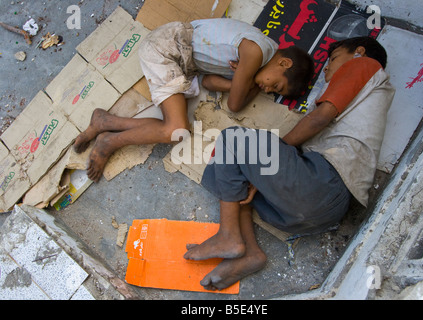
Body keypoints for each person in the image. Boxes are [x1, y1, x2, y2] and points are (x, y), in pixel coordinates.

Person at [183, 36, 396, 291]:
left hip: (324, 184)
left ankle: (228, 235)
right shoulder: (363, 93)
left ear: (358, 52)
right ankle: (250, 252)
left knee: (234, 140)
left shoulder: (365, 65)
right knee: (234, 175)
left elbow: (320, 119)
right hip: (310, 214)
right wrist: (259, 170)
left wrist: (271, 153)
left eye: (333, 59)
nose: (327, 68)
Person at [73, 18, 314, 182]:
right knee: (176, 130)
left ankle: (105, 122)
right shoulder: (256, 52)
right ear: (284, 63)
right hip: (165, 48)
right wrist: (246, 81)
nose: (267, 88)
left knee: (175, 129)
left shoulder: (256, 63)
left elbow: (209, 82)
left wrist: (241, 80)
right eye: (276, 85)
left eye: (272, 91)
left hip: (183, 64)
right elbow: (234, 104)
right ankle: (110, 142)